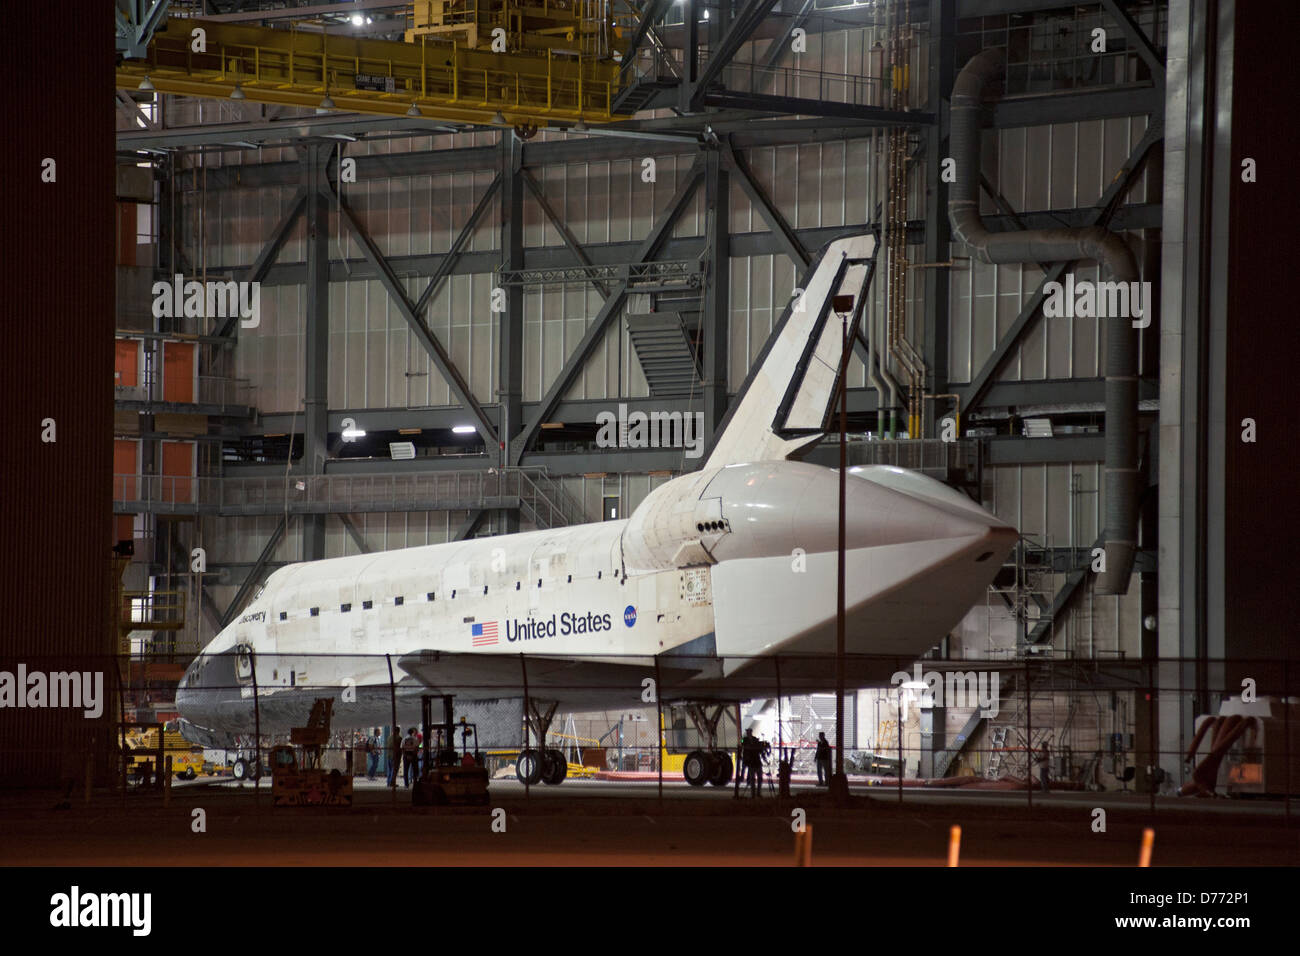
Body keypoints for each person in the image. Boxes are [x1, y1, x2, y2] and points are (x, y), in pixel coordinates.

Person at [741, 729, 763, 797]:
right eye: (747, 732)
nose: (748, 733)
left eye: (749, 732)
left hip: (756, 761)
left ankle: (758, 793)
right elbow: (742, 744)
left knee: (759, 778)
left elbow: (759, 748)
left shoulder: (755, 739)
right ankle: (753, 793)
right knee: (752, 778)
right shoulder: (744, 739)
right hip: (751, 761)